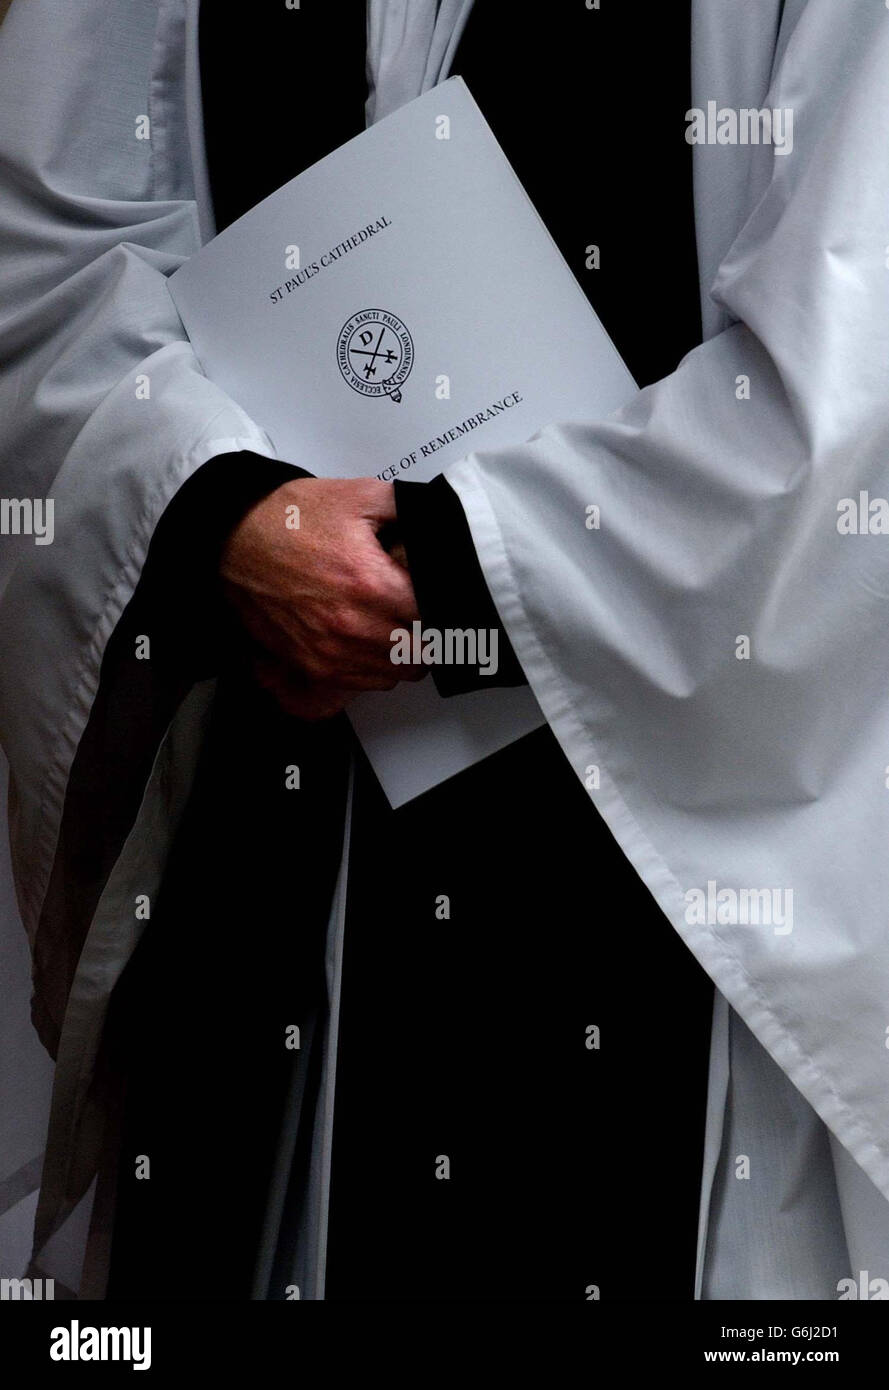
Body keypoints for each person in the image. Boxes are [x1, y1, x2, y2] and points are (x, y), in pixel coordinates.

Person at [1, 0, 889, 1304]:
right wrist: (213, 514)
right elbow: (55, 249)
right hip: (264, 789)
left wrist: (445, 563)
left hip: (648, 836)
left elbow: (850, 357)